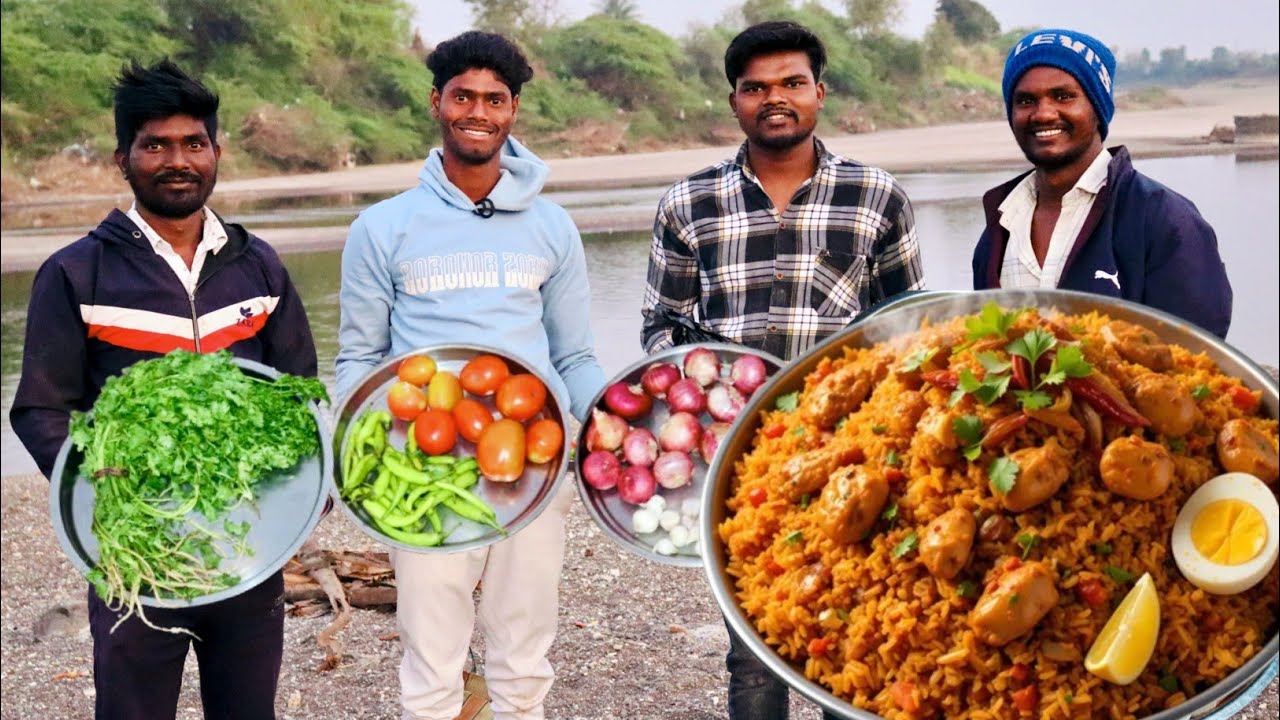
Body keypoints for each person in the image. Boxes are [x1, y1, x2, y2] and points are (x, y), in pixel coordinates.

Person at [10, 59, 317, 720]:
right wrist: (97, 471)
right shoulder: (77, 274)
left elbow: (297, 393)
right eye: (156, 145)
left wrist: (307, 486)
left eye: (193, 144)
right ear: (123, 158)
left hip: (247, 543)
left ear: (216, 153)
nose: (177, 160)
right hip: (135, 554)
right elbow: (40, 408)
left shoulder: (257, 264)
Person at [641, 21, 925, 719]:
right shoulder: (688, 204)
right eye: (756, 87)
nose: (776, 98)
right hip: (737, 460)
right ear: (735, 101)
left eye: (792, 83)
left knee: (852, 628)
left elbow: (909, 330)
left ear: (819, 93)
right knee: (753, 638)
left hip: (850, 456)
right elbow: (660, 335)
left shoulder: (876, 196)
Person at [334, 31, 605, 720]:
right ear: (437, 103)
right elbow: (360, 360)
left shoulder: (552, 226)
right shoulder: (381, 227)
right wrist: (343, 462)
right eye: (463, 97)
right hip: (424, 467)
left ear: (513, 110)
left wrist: (602, 420)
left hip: (536, 469)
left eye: (494, 99)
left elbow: (573, 355)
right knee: (431, 662)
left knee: (523, 659)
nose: (477, 111)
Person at [972, 28, 1233, 337]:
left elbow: (1198, 354)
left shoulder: (1164, 220)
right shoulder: (1000, 227)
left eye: (1063, 96)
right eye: (1026, 100)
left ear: (1098, 108)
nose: (1043, 114)